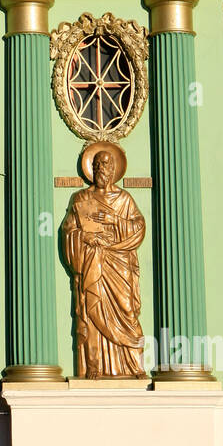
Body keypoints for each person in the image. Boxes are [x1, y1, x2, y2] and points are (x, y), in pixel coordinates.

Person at [63, 146, 145, 378]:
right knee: (93, 309)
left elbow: (138, 229)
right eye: (97, 164)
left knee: (127, 310)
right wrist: (83, 236)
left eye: (106, 164)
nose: (101, 168)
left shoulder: (124, 200)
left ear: (114, 169)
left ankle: (133, 365)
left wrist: (113, 219)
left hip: (119, 264)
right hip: (93, 263)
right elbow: (69, 231)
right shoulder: (81, 198)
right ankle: (94, 366)